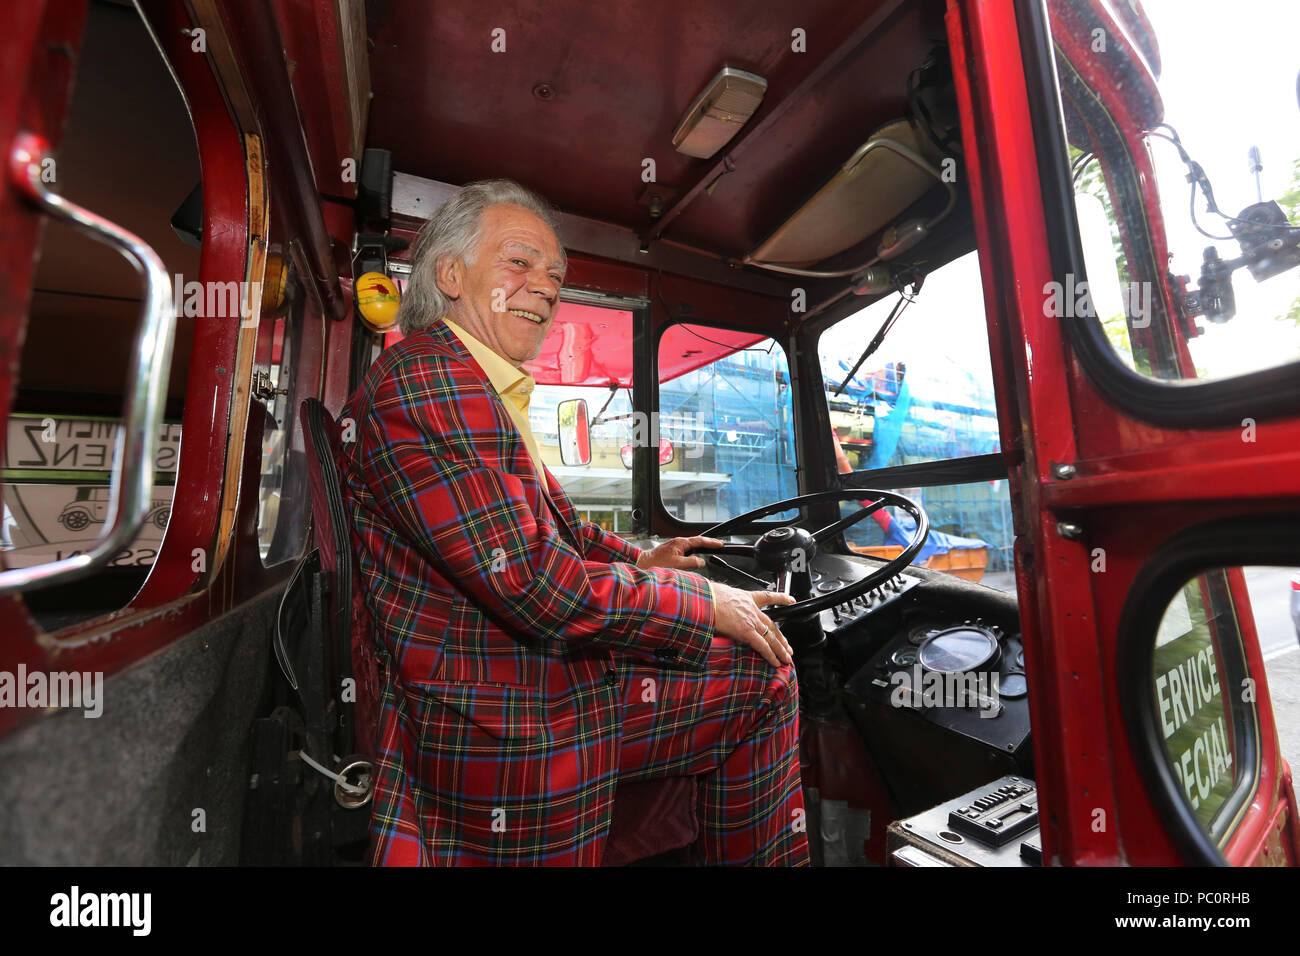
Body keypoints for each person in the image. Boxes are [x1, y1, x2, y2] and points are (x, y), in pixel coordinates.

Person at [341, 179, 810, 866]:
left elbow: (560, 531)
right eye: (520, 263)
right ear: (449, 274)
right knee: (767, 677)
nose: (546, 287)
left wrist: (644, 562)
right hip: (500, 717)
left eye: (556, 276)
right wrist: (707, 601)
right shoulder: (430, 384)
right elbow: (536, 583)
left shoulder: (473, 383)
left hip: (504, 680)